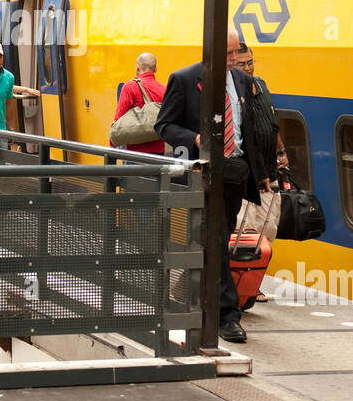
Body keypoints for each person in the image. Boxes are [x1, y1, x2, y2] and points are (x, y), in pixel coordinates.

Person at [154, 27, 270, 344]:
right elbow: (163, 125)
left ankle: (195, 297)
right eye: (229, 53)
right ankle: (227, 316)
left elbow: (248, 132)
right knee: (217, 241)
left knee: (216, 241)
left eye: (237, 53)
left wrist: (260, 174)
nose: (235, 59)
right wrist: (194, 139)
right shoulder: (185, 79)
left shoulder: (244, 83)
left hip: (235, 177)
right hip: (203, 175)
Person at [236, 43, 288, 303]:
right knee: (246, 230)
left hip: (270, 172)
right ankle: (242, 286)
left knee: (268, 229)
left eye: (250, 62)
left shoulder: (262, 85)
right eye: (241, 64)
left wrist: (281, 152)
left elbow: (272, 121)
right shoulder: (233, 94)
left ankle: (253, 280)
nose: (248, 68)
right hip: (248, 176)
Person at [111, 52, 166, 155]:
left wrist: (112, 142)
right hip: (158, 152)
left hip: (135, 153)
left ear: (137, 68)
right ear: (155, 69)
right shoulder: (164, 89)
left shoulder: (130, 87)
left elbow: (119, 118)